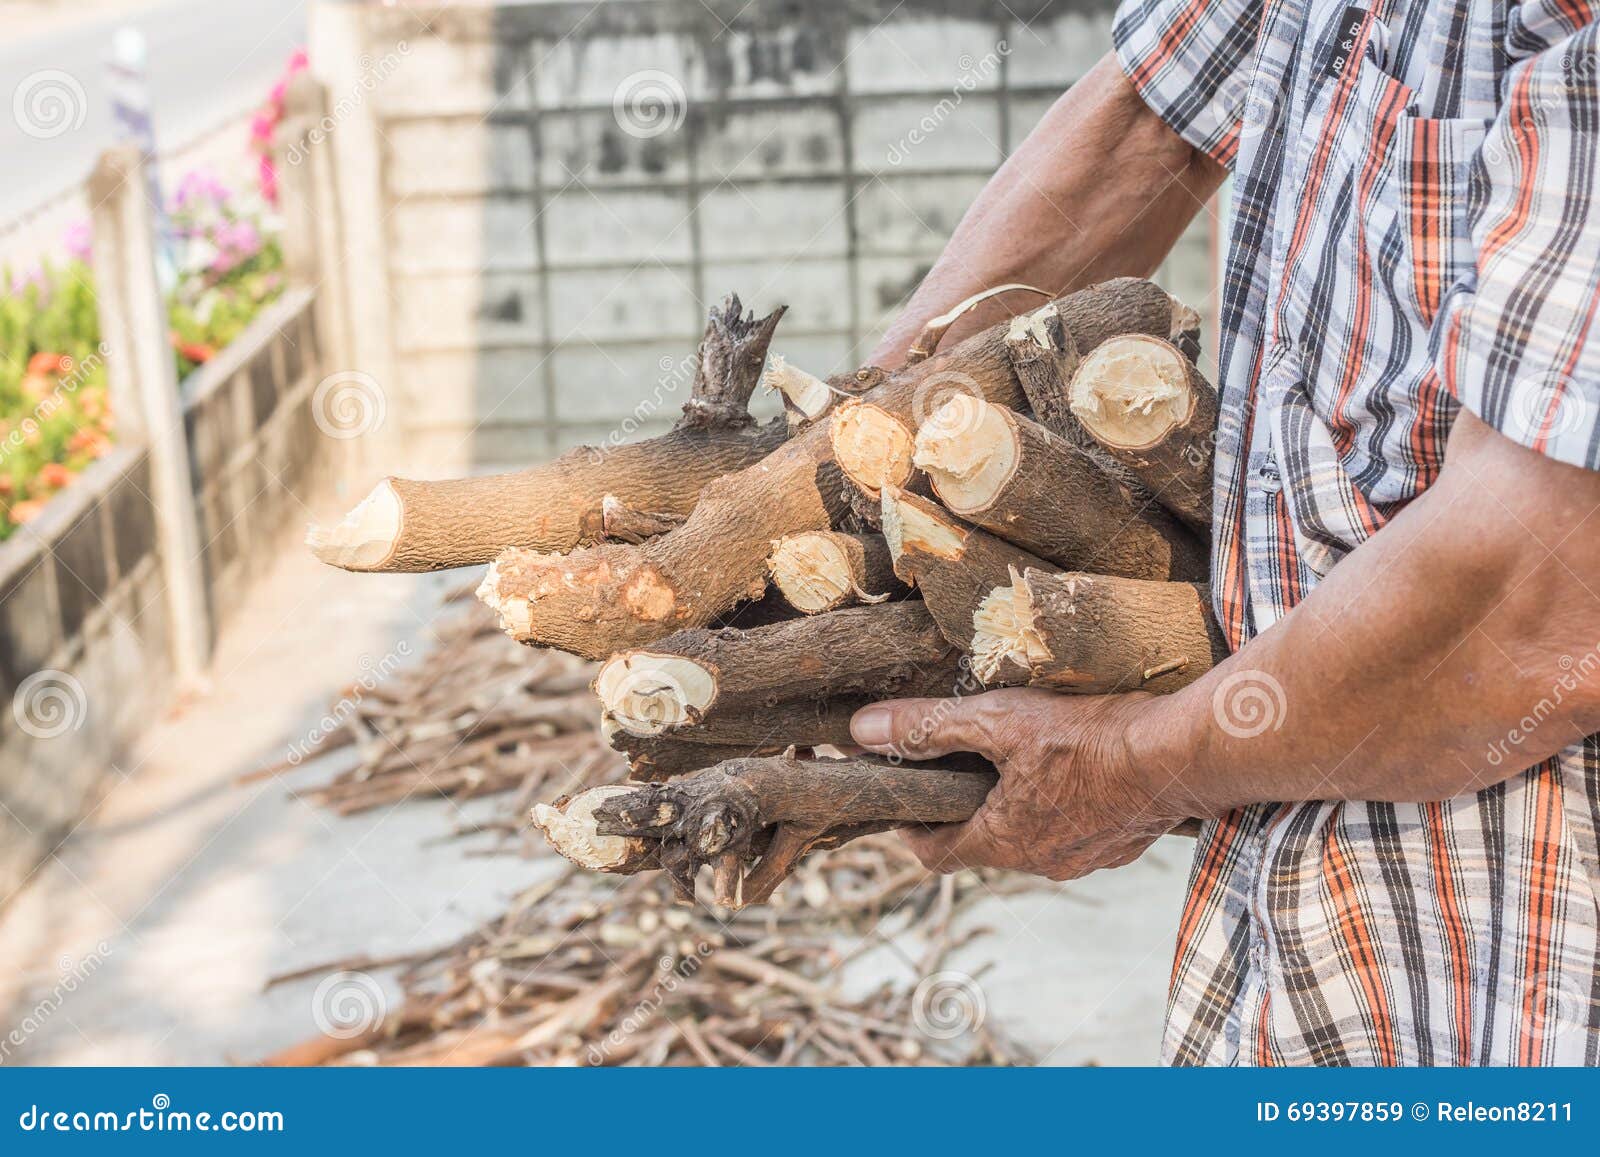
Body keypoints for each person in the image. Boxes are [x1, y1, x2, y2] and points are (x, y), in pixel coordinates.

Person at [850, 0, 1600, 1065]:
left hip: (1536, 921)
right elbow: (1146, 118)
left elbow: (1536, 596)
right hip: (1298, 868)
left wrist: (1132, 766)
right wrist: (852, 448)